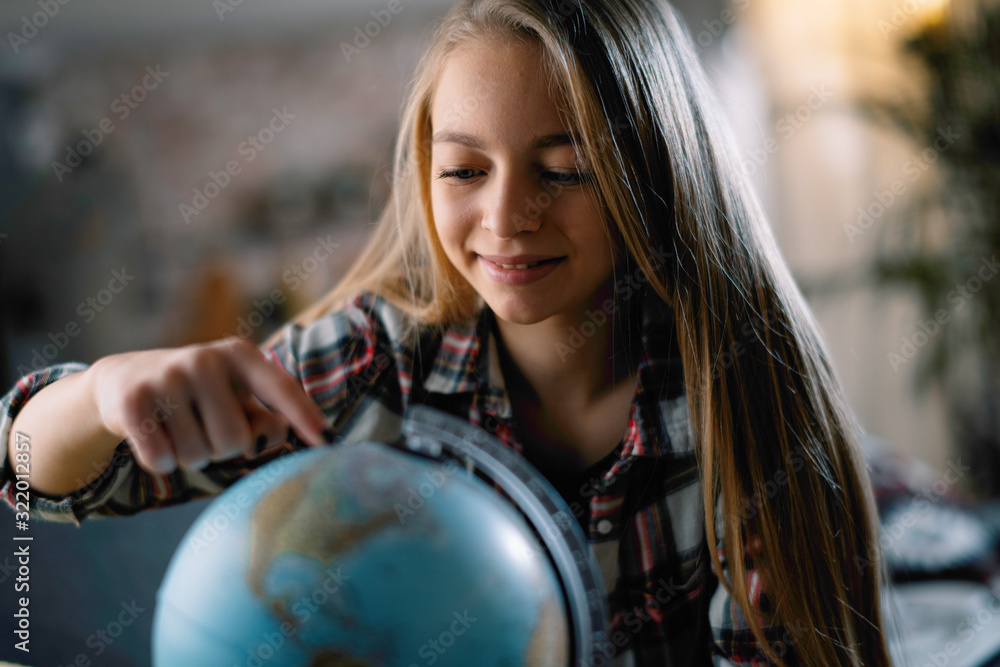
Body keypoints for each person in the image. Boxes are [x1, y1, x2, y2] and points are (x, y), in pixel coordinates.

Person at [1, 1, 894, 665]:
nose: (505, 216)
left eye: (566, 169)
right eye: (465, 168)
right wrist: (104, 394)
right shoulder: (374, 360)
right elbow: (27, 470)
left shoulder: (744, 413)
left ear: (658, 173)